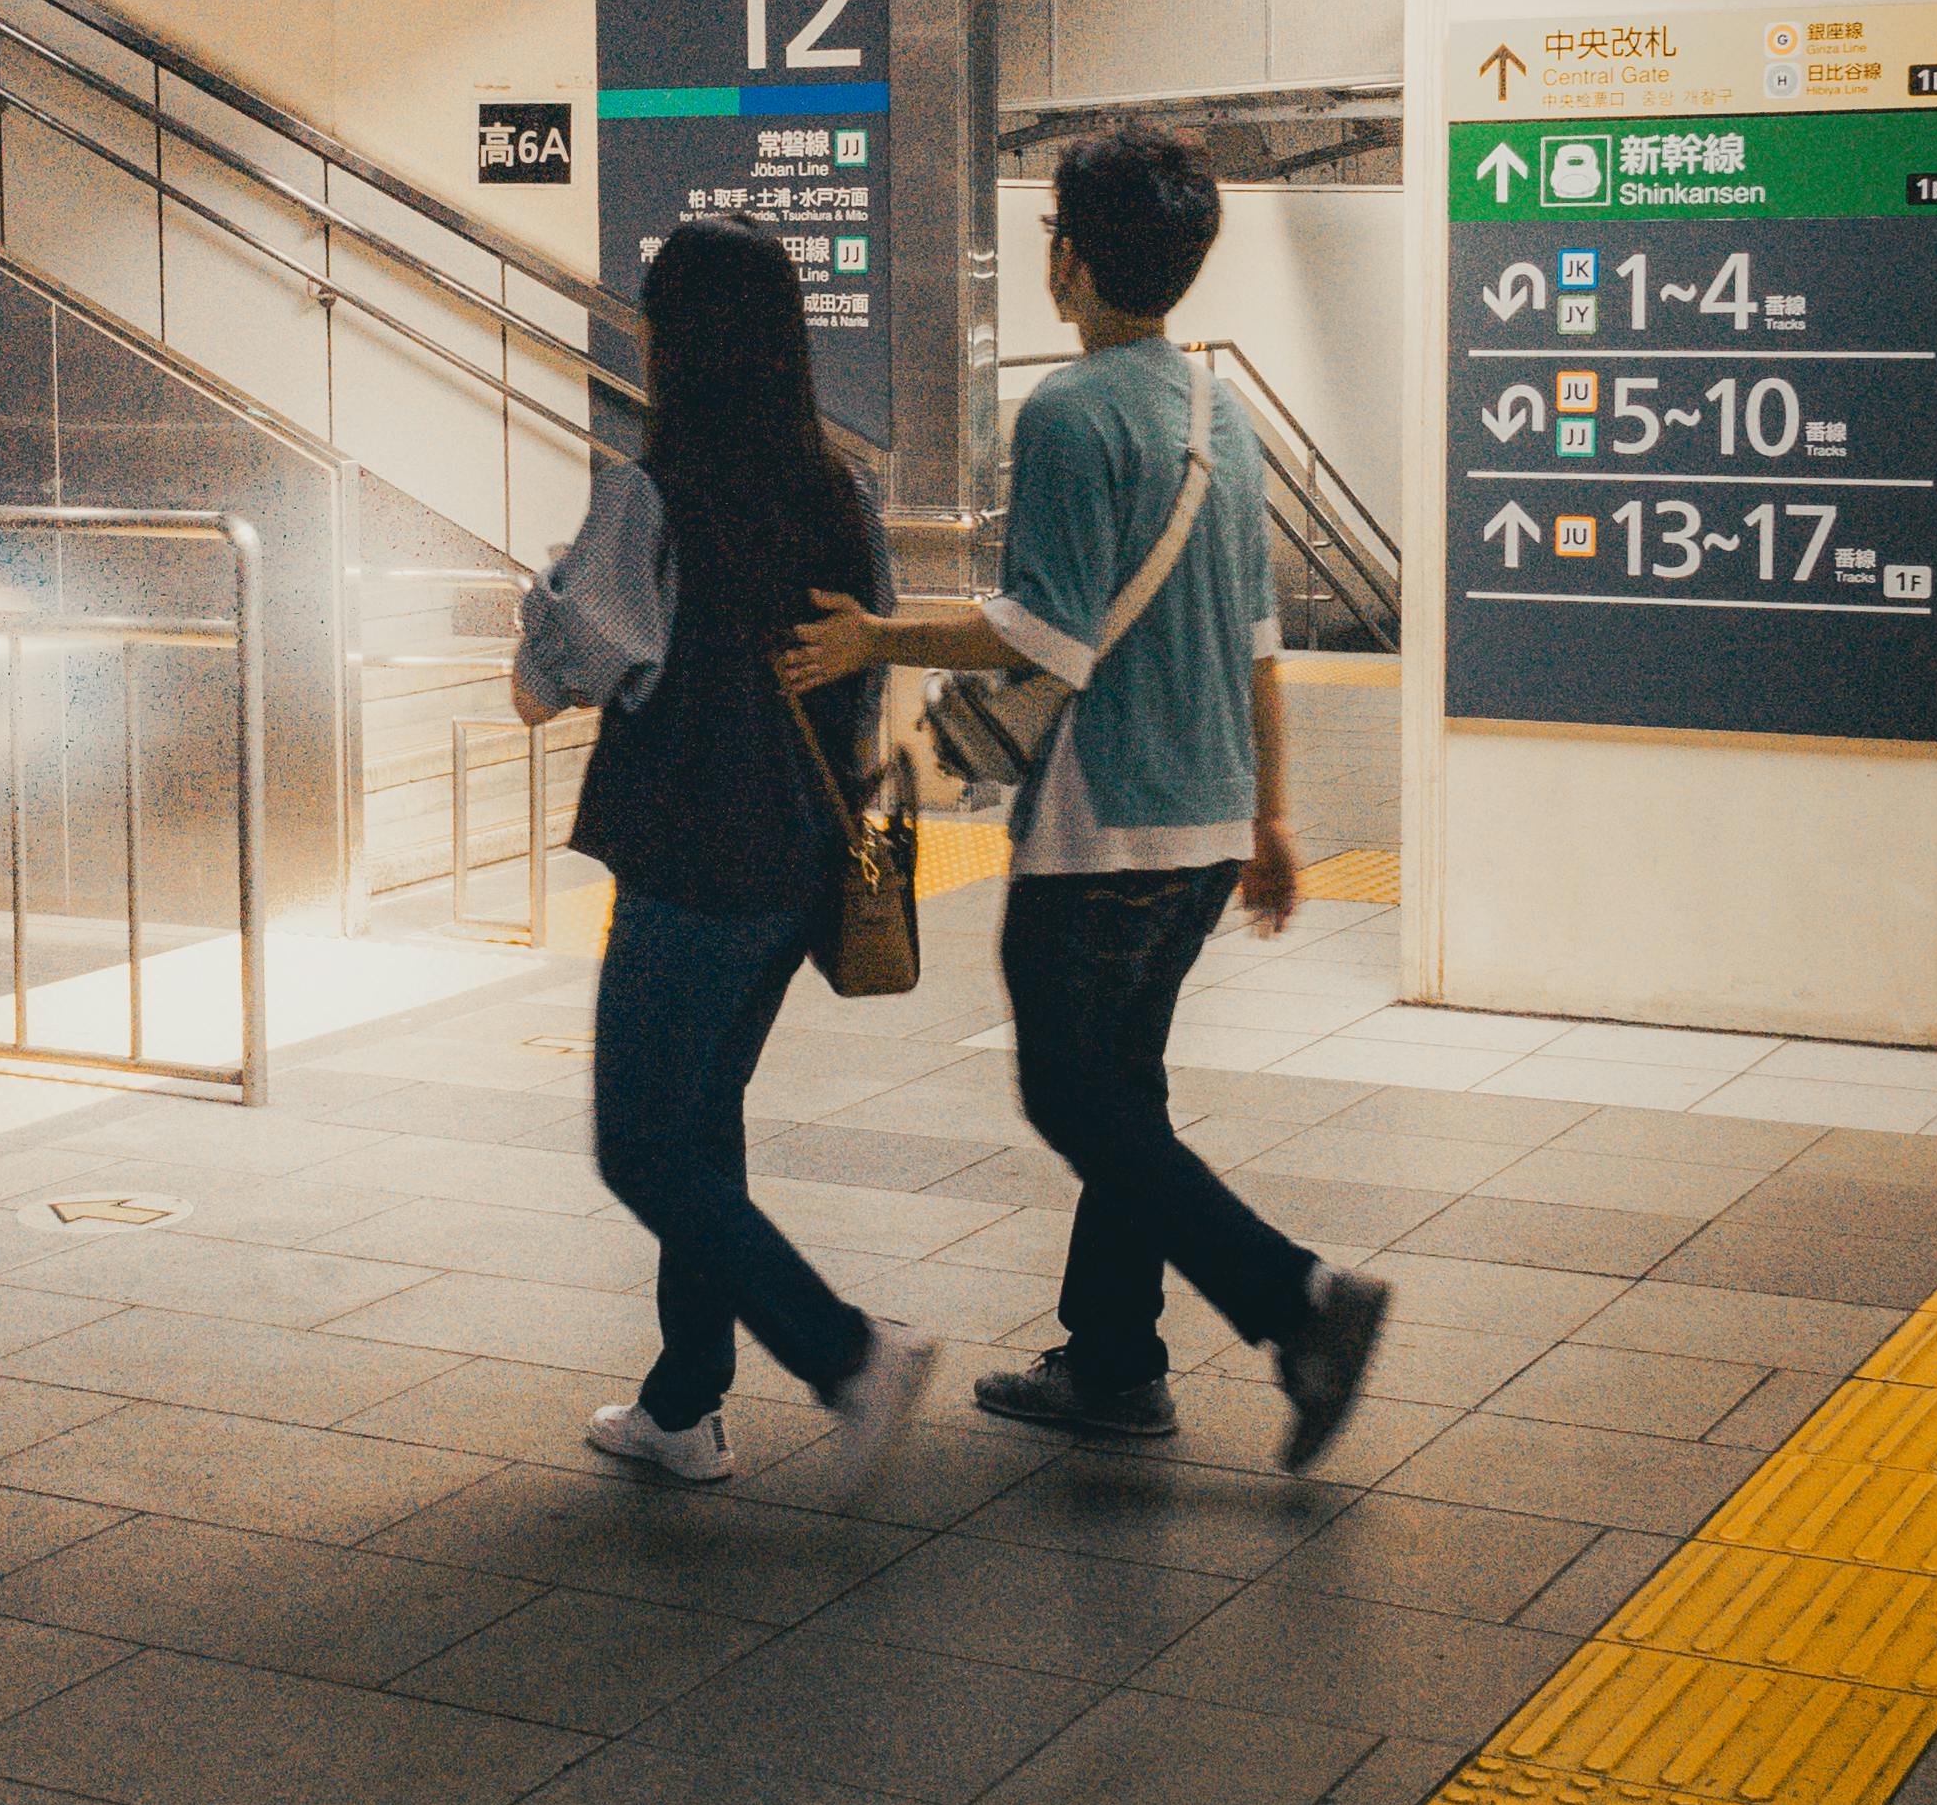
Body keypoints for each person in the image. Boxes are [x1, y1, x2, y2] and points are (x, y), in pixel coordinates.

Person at [779, 124, 1389, 1471]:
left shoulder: (1065, 412)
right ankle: (1114, 1359)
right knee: (1127, 1089)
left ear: (1069, 255)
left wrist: (878, 636)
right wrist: (1272, 818)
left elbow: (1041, 637)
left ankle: (1298, 1301)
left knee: (1072, 1093)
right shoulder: (1215, 407)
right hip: (1207, 813)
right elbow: (1255, 641)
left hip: (1101, 823)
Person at [512, 216, 937, 1499]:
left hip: (694, 856)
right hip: (799, 857)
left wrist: (541, 610)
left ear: (671, 339)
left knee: (640, 1148)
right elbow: (864, 667)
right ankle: (682, 1406)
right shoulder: (838, 490)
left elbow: (557, 677)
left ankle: (848, 1352)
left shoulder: (655, 491)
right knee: (700, 1121)